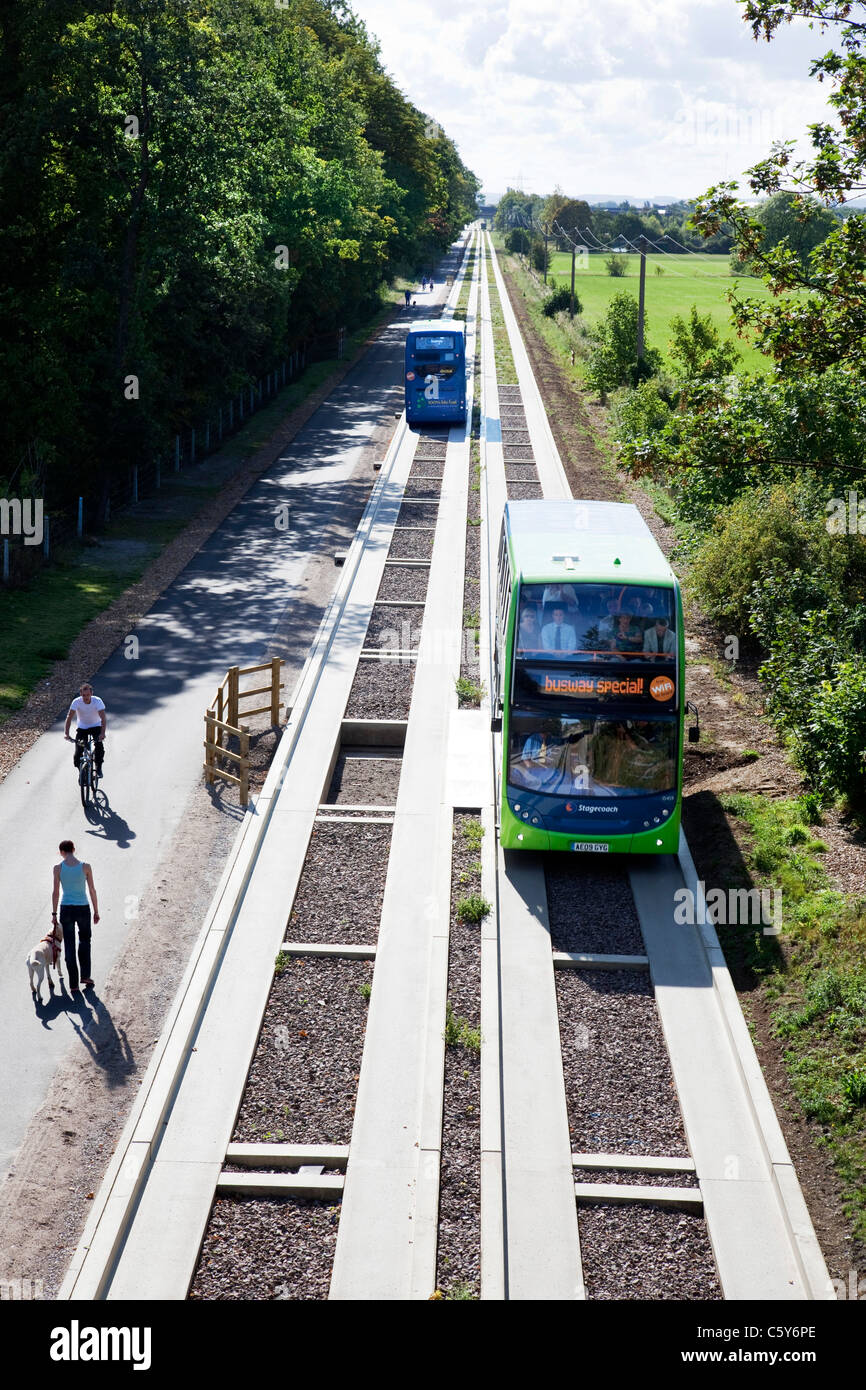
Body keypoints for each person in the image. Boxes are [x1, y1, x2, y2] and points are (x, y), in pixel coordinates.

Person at [51, 840, 99, 993]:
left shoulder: (58, 869)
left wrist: (54, 913)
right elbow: (92, 889)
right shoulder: (85, 867)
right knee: (85, 941)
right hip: (83, 908)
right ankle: (85, 976)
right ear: (74, 849)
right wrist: (96, 911)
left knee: (69, 945)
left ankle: (73, 985)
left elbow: (56, 892)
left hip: (66, 909)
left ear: (61, 852)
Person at [64, 682, 106, 773]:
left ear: (91, 693)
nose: (85, 697)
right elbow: (69, 717)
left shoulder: (97, 701)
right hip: (82, 728)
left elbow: (103, 718)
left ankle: (98, 767)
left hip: (96, 726)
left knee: (99, 746)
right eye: (83, 695)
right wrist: (66, 733)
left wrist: (102, 733)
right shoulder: (76, 702)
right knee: (79, 749)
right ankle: (81, 772)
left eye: (87, 695)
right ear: (80, 694)